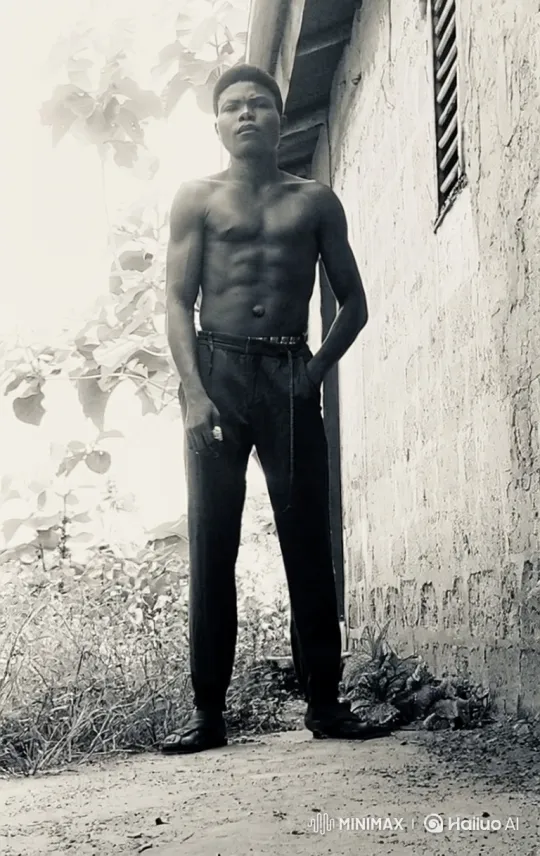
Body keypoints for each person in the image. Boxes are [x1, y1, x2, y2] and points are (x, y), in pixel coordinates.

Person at [162, 64, 392, 753]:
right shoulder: (196, 198)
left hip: (290, 374)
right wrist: (194, 391)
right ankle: (208, 714)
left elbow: (355, 303)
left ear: (278, 117)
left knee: (307, 541)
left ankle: (325, 703)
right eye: (231, 106)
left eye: (258, 104)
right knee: (212, 543)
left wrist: (315, 371)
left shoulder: (314, 201)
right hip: (219, 372)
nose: (245, 114)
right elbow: (177, 300)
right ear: (218, 123)